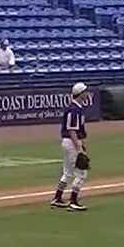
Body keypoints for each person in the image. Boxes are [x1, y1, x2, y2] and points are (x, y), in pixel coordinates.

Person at [50, 82, 91, 212]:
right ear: (80, 94)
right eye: (85, 91)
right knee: (82, 173)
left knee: (67, 173)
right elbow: (72, 130)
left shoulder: (74, 108)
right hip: (72, 142)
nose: (87, 94)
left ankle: (57, 198)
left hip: (69, 142)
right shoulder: (74, 109)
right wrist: (79, 148)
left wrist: (82, 144)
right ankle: (73, 201)